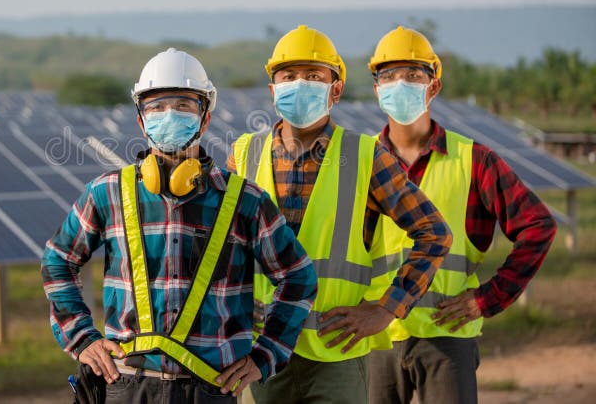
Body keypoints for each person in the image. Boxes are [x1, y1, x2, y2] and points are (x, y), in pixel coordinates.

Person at [41, 47, 318, 404]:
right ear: (141, 119)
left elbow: (299, 277)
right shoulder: (106, 192)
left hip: (208, 389)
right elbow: (57, 260)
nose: (169, 115)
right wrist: (81, 338)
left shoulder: (245, 201)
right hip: (126, 385)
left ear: (205, 118)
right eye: (156, 107)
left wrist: (265, 356)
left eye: (184, 105)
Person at [228, 25, 452, 404]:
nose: (300, 84)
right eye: (289, 76)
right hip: (260, 352)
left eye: (314, 76)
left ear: (336, 89)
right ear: (273, 90)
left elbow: (434, 233)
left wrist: (385, 310)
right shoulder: (244, 154)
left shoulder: (366, 156)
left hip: (338, 356)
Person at [366, 26, 558, 404]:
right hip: (377, 335)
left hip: (447, 335)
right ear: (376, 89)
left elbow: (538, 225)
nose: (399, 83)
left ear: (433, 86)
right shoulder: (358, 161)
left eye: (413, 75)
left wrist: (487, 299)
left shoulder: (474, 161)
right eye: (388, 76)